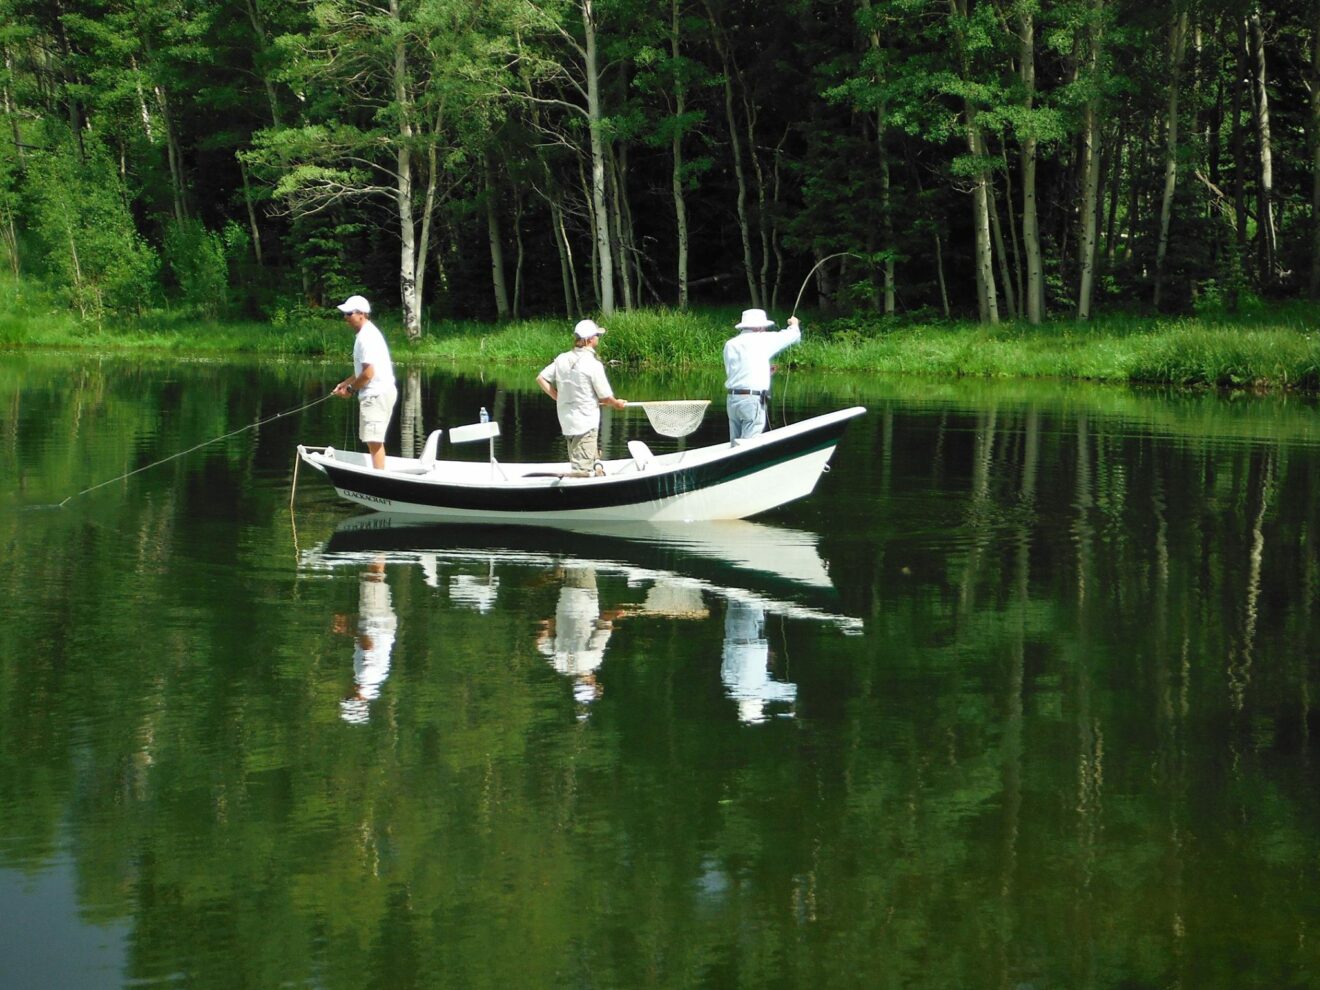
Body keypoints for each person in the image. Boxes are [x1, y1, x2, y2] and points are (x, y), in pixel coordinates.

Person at [536, 318, 628, 476]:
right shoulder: (593, 364)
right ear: (589, 340)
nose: (598, 338)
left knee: (586, 460)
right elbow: (606, 397)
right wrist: (617, 403)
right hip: (585, 424)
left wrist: (558, 398)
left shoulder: (562, 359)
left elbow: (541, 378)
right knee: (582, 473)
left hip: (567, 421)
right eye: (597, 336)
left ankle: (595, 473)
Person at [332, 294, 397, 470]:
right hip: (376, 393)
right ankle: (379, 476)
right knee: (372, 441)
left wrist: (350, 390)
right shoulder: (365, 334)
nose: (345, 317)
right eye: (344, 314)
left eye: (348, 313)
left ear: (362, 313)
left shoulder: (366, 337)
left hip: (376, 394)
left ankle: (380, 481)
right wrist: (345, 383)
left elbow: (369, 374)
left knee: (374, 441)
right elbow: (363, 371)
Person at [723, 308, 801, 441]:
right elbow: (792, 336)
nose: (765, 330)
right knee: (749, 443)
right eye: (764, 327)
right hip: (752, 400)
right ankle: (746, 462)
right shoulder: (762, 339)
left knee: (734, 443)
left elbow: (735, 371)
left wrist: (763, 371)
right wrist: (794, 324)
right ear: (758, 327)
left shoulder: (730, 344)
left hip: (732, 399)